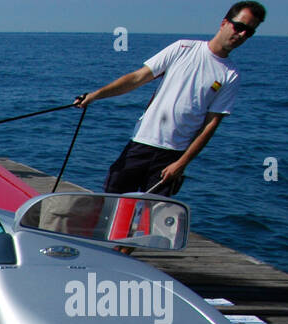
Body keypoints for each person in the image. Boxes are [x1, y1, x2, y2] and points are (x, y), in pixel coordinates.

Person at [75, 3, 265, 196]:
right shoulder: (183, 47)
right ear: (224, 23)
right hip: (141, 142)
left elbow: (211, 124)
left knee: (155, 211)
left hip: (172, 156)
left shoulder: (230, 75)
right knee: (112, 200)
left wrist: (181, 163)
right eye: (239, 27)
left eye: (249, 32)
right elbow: (137, 78)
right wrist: (94, 96)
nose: (242, 35)